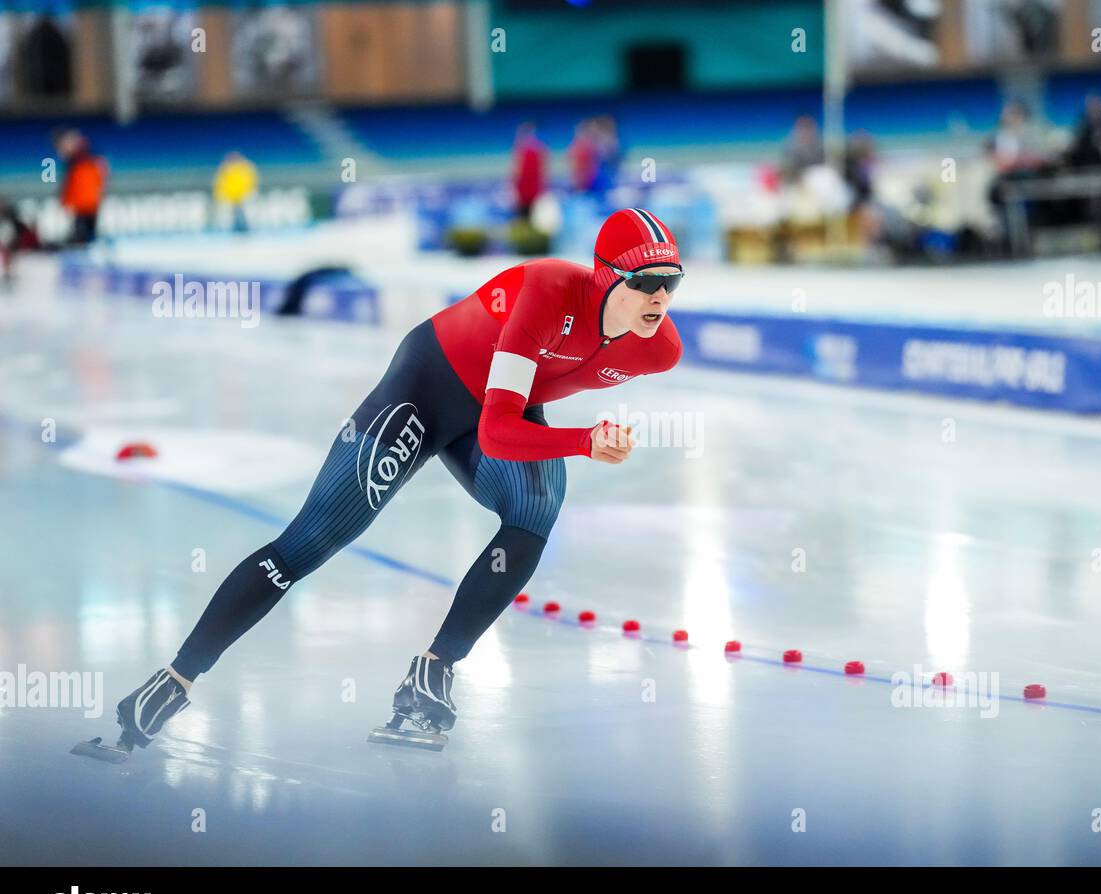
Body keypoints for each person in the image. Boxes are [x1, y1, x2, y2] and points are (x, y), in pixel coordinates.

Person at [75, 208, 686, 760]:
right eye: (645, 282)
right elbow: (499, 431)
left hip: (501, 403)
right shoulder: (548, 289)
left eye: (672, 282)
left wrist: (566, 438)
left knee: (535, 513)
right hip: (427, 387)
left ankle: (433, 673)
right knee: (307, 545)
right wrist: (583, 442)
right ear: (607, 277)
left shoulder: (658, 350)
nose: (660, 296)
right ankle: (172, 682)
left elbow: (515, 408)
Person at [53, 128, 107, 246]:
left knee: (84, 235)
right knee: (84, 233)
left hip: (85, 203)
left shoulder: (84, 161)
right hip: (85, 203)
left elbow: (79, 185)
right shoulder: (80, 161)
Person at [212, 151, 259, 232]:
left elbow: (251, 180)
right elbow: (220, 183)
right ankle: (237, 228)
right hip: (232, 196)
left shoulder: (245, 168)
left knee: (244, 213)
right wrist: (220, 195)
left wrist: (250, 192)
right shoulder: (225, 169)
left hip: (242, 196)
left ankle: (245, 228)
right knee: (234, 214)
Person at [510, 121, 547, 220]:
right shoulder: (539, 148)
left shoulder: (523, 149)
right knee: (529, 215)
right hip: (530, 189)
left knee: (526, 215)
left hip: (528, 189)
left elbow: (516, 171)